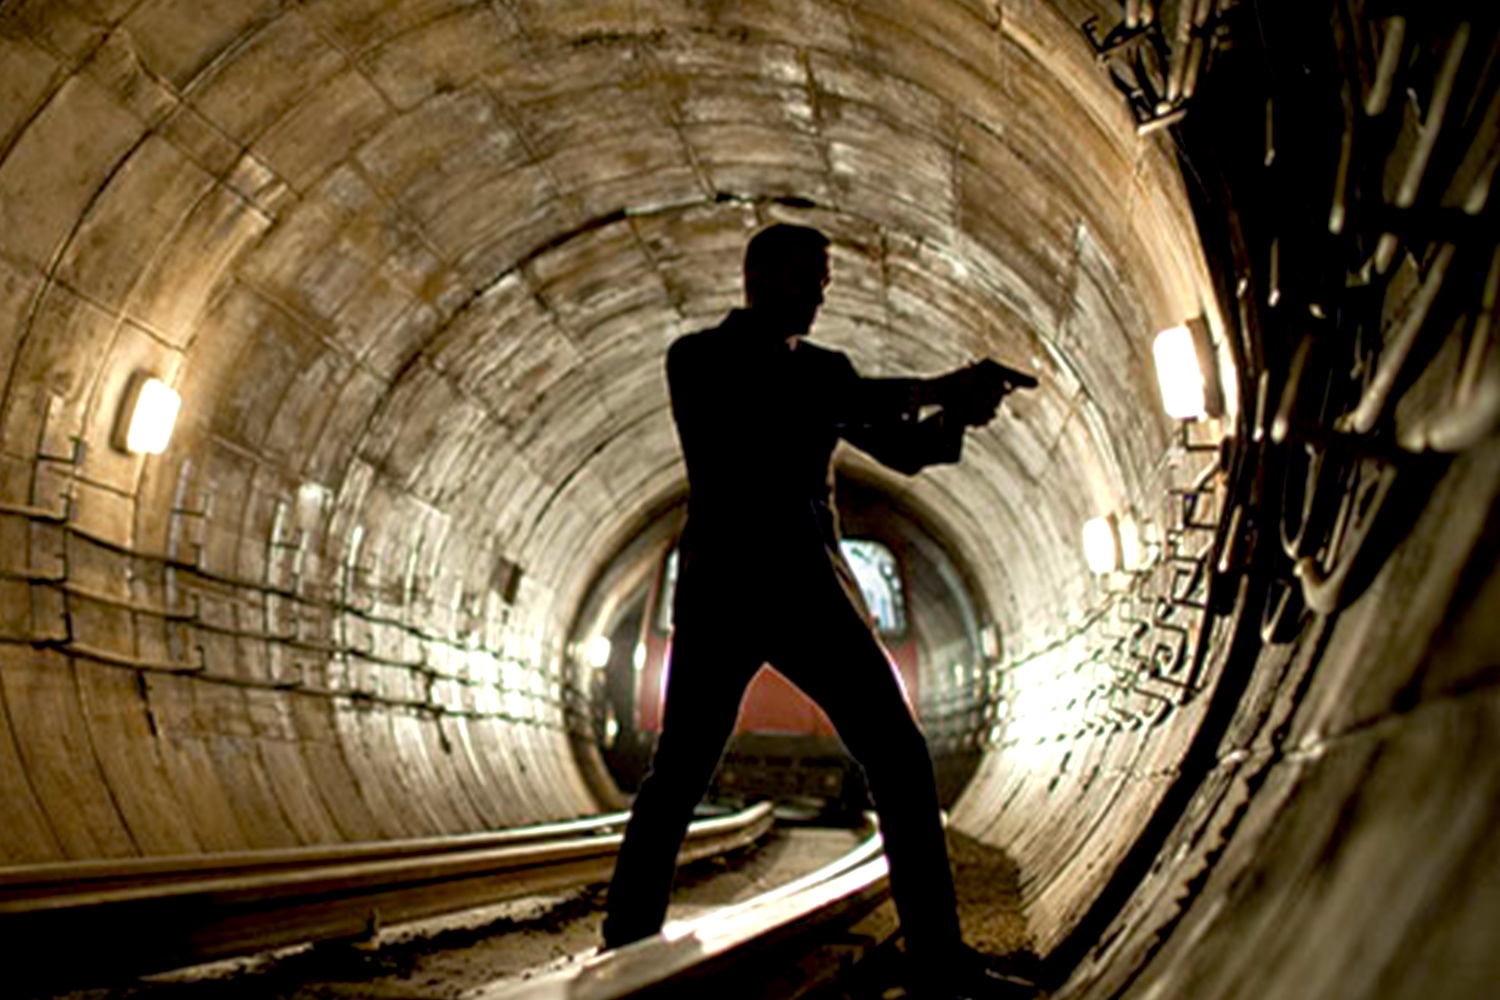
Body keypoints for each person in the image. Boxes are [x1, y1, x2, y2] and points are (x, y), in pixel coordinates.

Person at [601, 223, 1033, 998]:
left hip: (808, 592)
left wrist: (959, 415)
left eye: (824, 281)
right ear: (760, 278)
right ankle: (625, 949)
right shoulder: (699, 358)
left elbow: (903, 452)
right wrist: (940, 385)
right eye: (809, 278)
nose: (820, 295)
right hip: (729, 588)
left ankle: (938, 961)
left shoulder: (826, 370)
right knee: (681, 772)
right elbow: (791, 403)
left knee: (898, 755)